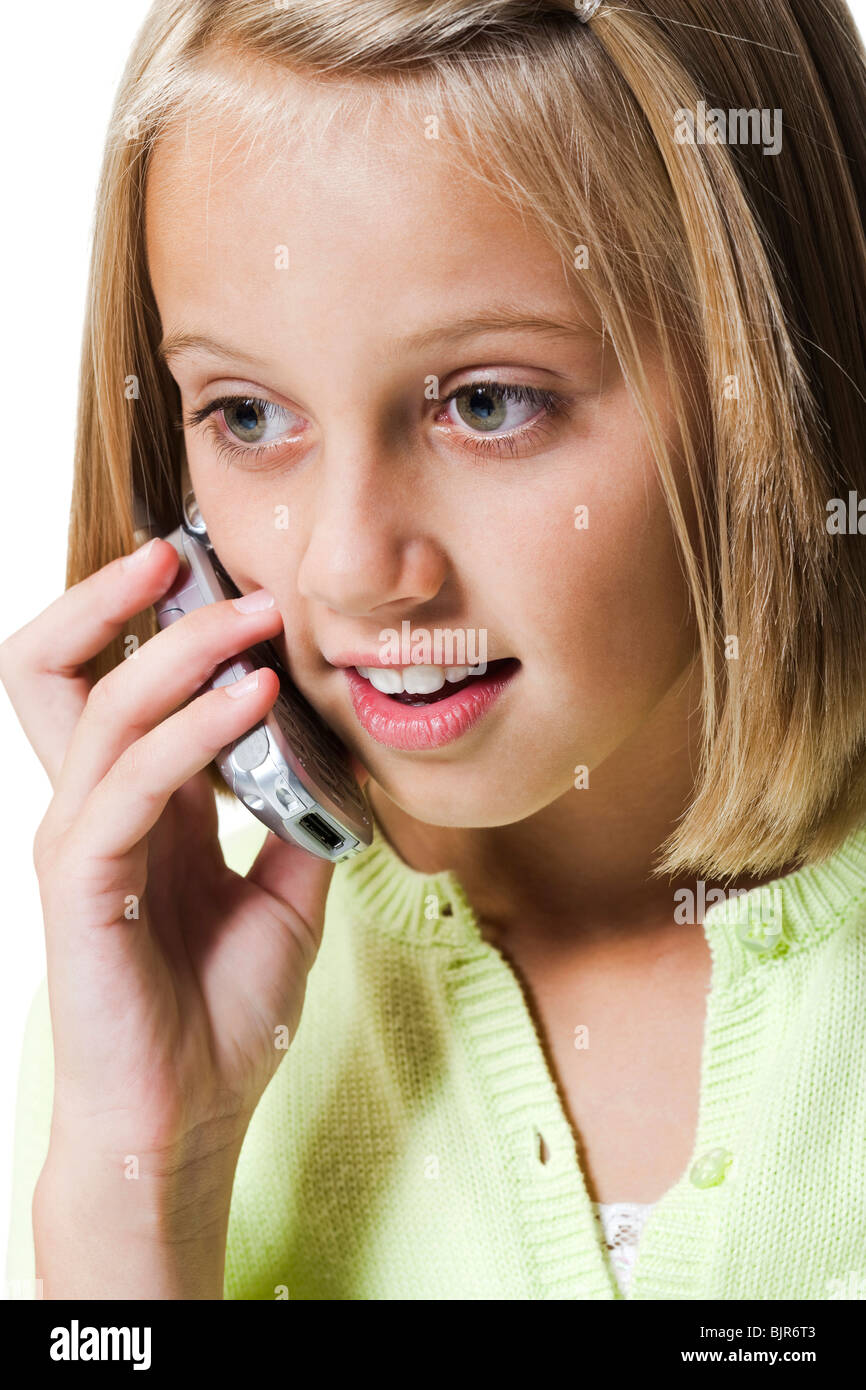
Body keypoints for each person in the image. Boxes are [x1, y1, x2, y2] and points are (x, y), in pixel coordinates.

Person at [3, 0, 866, 1301]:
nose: (352, 565)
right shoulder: (163, 995)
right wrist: (143, 1190)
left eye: (485, 402)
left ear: (770, 379)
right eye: (245, 413)